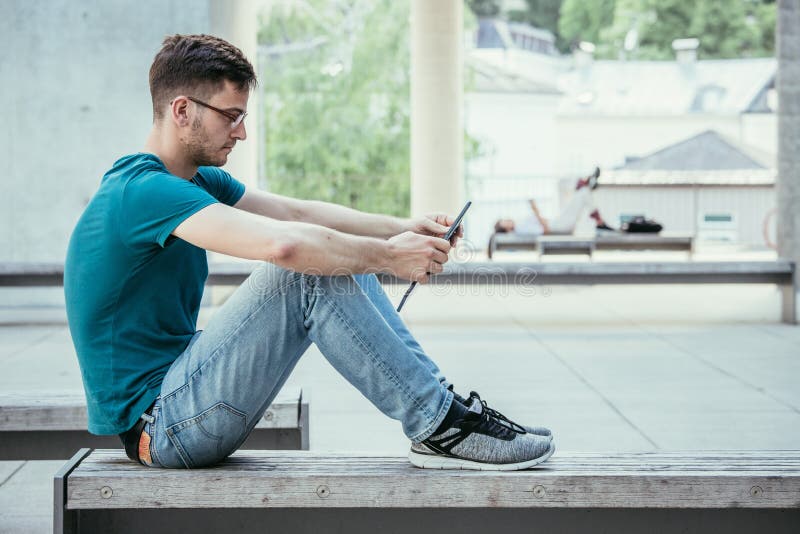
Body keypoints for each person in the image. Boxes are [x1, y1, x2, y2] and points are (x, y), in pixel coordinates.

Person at [64, 34, 554, 471]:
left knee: (324, 256)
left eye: (243, 118)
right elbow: (286, 244)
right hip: (162, 426)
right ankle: (441, 424)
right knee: (304, 270)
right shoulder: (143, 191)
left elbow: (294, 215)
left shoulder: (192, 180)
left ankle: (443, 413)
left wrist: (403, 227)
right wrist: (389, 256)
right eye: (230, 117)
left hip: (184, 397)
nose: (241, 132)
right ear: (181, 110)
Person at [494, 167, 614, 236]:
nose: (507, 220)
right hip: (558, 227)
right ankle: (599, 221)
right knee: (583, 193)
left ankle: (586, 182)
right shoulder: (521, 229)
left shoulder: (520, 225)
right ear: (507, 229)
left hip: (557, 222)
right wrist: (535, 210)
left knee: (578, 191)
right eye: (504, 222)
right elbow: (545, 231)